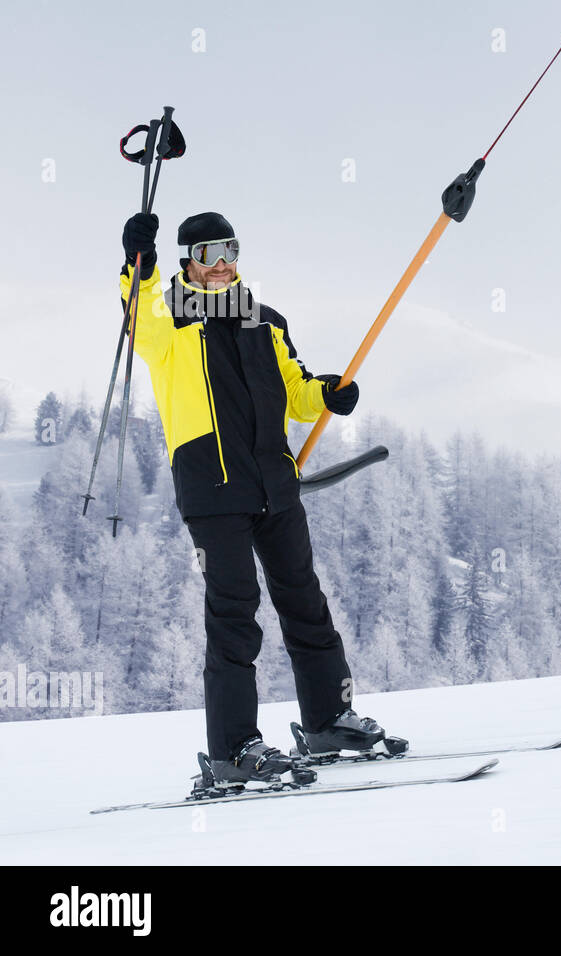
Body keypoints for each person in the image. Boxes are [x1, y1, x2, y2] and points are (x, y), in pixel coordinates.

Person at [120, 210, 387, 785]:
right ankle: (234, 750)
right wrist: (137, 266)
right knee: (235, 617)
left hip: (275, 484)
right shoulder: (170, 324)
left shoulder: (266, 321)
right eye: (208, 254)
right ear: (188, 261)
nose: (221, 266)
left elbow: (294, 389)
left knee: (306, 605)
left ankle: (328, 719)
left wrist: (327, 395)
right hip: (212, 489)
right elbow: (138, 320)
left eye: (230, 252)